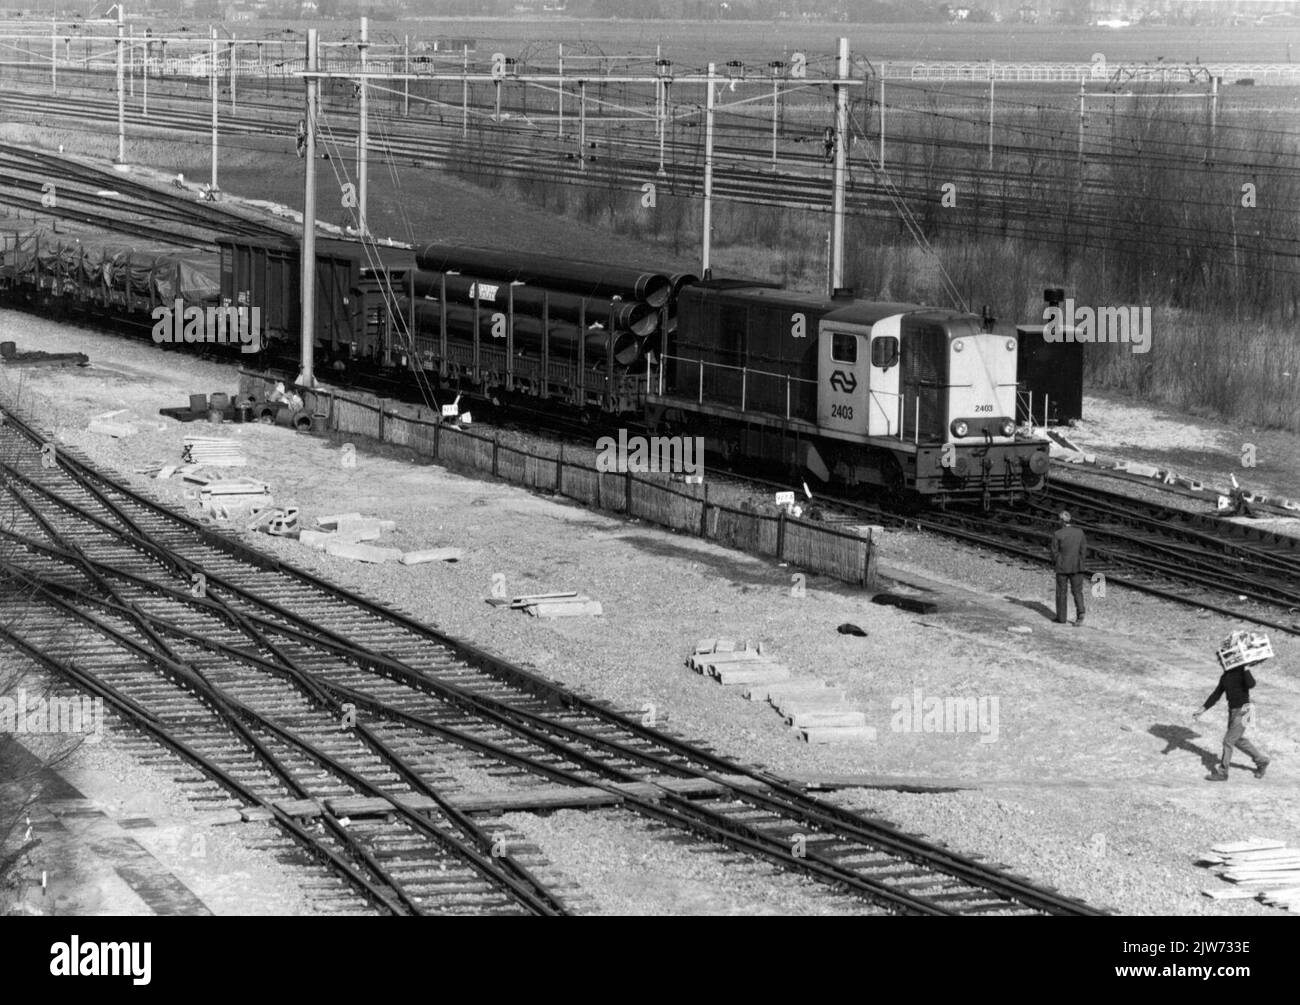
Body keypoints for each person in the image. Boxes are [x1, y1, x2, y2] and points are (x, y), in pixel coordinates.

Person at [1193, 638, 1271, 782]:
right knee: (1238, 740)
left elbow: (1251, 684)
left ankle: (1223, 772)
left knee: (1228, 740)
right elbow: (1216, 694)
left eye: (1222, 659)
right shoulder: (1225, 677)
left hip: (1247, 709)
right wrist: (1203, 708)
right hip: (1234, 710)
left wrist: (1246, 667)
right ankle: (1262, 760)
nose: (1221, 662)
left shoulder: (1241, 671)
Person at [1050, 510, 1086, 626]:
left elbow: (1054, 552)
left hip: (1062, 567)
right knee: (1077, 592)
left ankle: (1061, 618)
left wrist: (1058, 561)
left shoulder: (1057, 534)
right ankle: (1080, 614)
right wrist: (1079, 561)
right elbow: (1083, 550)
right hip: (1077, 566)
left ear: (1061, 521)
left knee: (1061, 592)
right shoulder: (1080, 533)